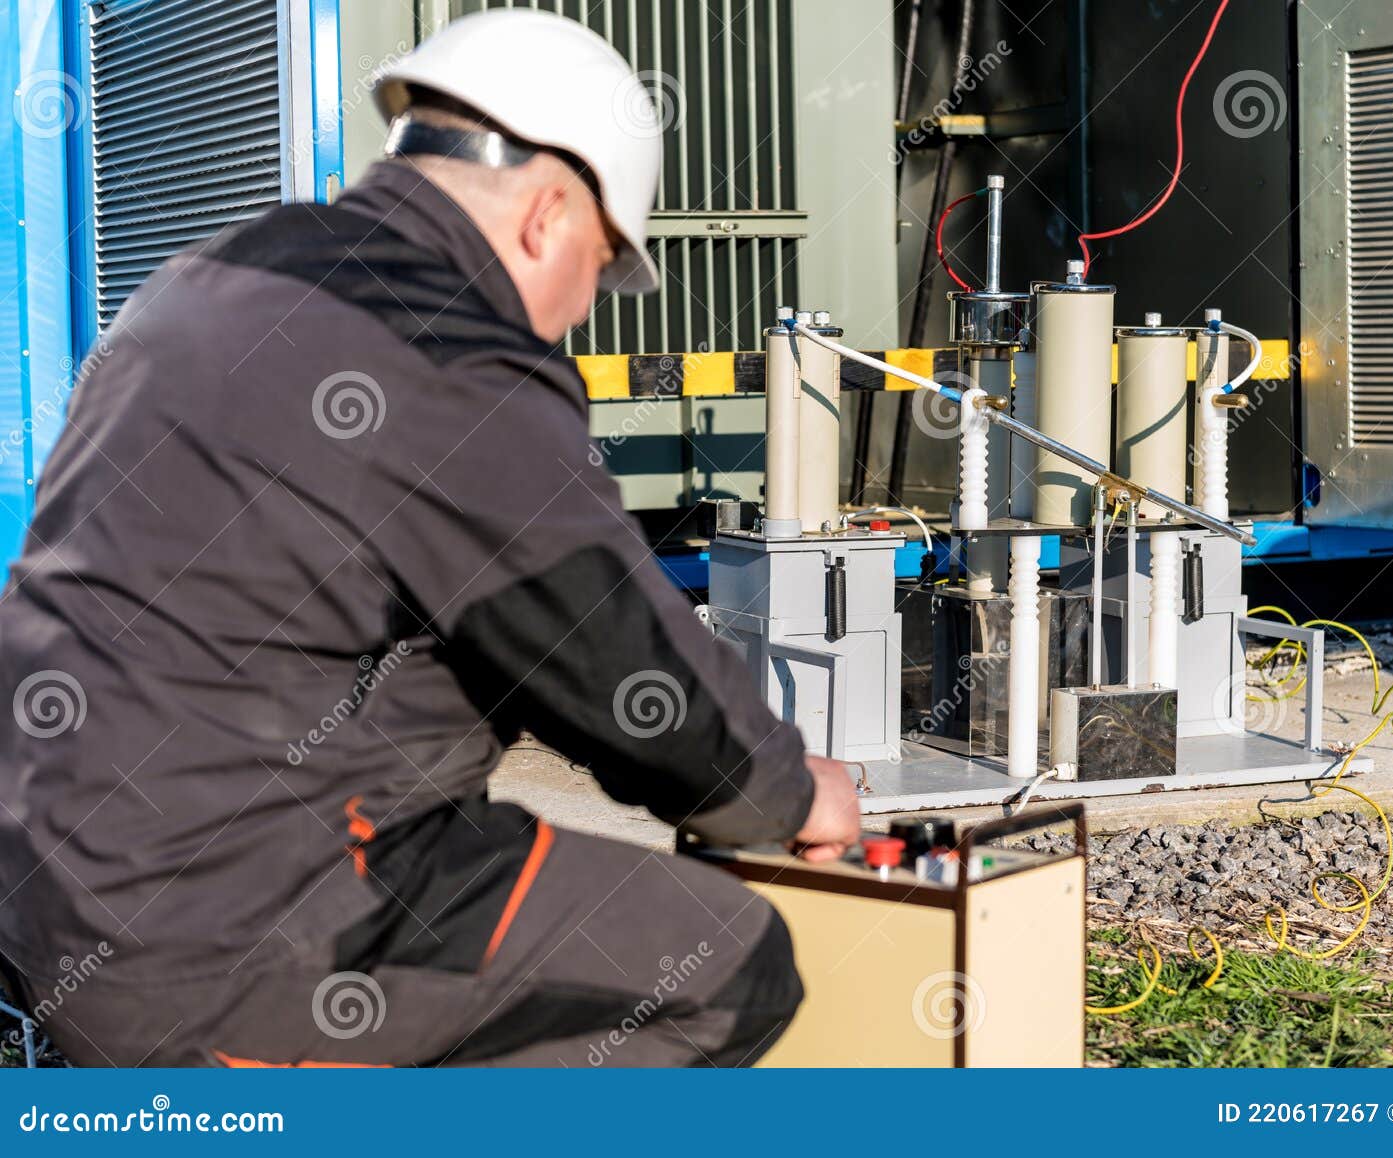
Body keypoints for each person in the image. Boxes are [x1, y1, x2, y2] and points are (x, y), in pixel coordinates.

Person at [0, 9, 859, 1068]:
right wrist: (783, 789)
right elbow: (615, 658)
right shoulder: (445, 345)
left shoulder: (209, 280)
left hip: (54, 891)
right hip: (214, 937)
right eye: (594, 267)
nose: (576, 308)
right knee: (726, 964)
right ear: (547, 215)